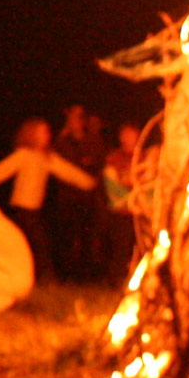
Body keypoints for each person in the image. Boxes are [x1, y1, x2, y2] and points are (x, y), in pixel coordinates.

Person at [0, 118, 95, 274]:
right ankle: (42, 279)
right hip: (21, 210)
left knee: (36, 245)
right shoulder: (23, 154)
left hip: (33, 211)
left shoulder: (47, 157)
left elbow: (68, 172)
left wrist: (90, 183)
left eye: (47, 131)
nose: (47, 135)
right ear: (32, 134)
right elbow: (0, 172)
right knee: (36, 245)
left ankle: (37, 279)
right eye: (43, 132)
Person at [48, 105, 109, 281]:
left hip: (88, 197)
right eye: (70, 118)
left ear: (82, 121)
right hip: (67, 196)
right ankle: (66, 275)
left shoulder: (93, 140)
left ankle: (87, 276)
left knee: (87, 236)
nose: (72, 121)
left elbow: (99, 164)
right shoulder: (63, 141)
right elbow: (53, 162)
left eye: (76, 118)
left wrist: (88, 164)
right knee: (66, 236)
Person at [97, 120, 154, 283]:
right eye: (126, 135)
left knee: (142, 247)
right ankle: (117, 281)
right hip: (121, 212)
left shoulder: (145, 157)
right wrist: (131, 185)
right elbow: (113, 184)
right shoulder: (114, 158)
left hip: (142, 212)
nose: (129, 138)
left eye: (132, 134)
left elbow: (148, 183)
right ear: (121, 137)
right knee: (120, 249)